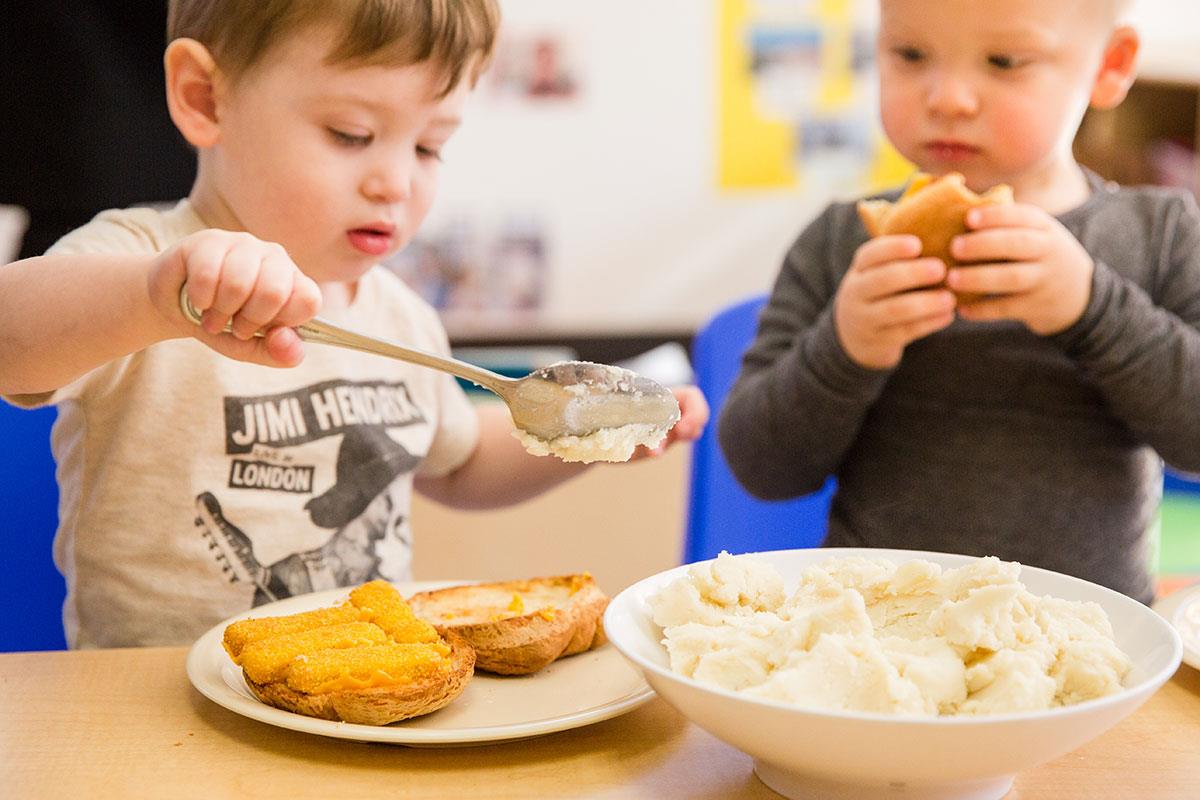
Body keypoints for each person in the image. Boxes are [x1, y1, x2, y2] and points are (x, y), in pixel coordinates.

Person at [0, 0, 708, 648]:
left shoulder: (400, 314)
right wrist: (154, 298)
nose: (396, 181)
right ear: (204, 97)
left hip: (358, 688)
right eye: (352, 134)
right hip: (154, 709)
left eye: (429, 146)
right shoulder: (145, 264)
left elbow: (458, 464)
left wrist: (581, 431)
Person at [719, 0, 1199, 605]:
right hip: (875, 637)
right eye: (910, 55)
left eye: (1003, 61)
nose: (947, 98)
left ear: (1110, 64)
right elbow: (761, 467)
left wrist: (1095, 310)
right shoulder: (842, 242)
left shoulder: (1163, 234)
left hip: (1088, 646)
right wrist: (844, 349)